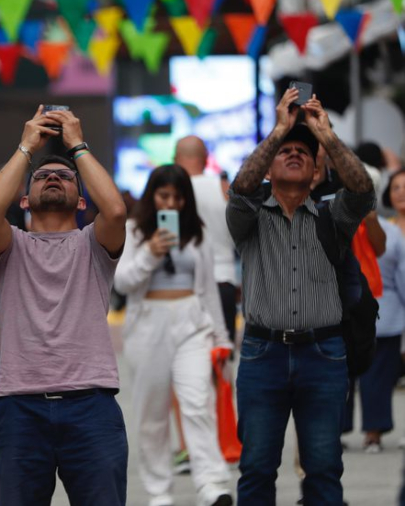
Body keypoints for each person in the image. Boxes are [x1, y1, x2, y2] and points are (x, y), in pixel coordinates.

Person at [227, 89, 375, 505]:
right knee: (256, 467)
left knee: (325, 468)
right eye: (285, 151)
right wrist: (278, 131)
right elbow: (241, 187)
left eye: (303, 153)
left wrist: (325, 136)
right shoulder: (248, 218)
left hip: (324, 354)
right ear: (269, 169)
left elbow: (362, 190)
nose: (294, 153)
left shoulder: (334, 216)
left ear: (315, 171)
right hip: (262, 354)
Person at [0, 106, 128, 505]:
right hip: (19, 408)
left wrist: (77, 144)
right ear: (25, 200)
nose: (54, 179)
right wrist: (27, 146)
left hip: (92, 405)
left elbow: (114, 210)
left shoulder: (94, 245)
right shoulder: (11, 247)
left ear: (81, 202)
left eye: (65, 177)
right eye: (43, 177)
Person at [115, 164, 233, 506]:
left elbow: (209, 289)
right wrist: (151, 253)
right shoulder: (135, 230)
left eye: (178, 198)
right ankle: (159, 492)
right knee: (151, 414)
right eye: (164, 196)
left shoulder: (198, 232)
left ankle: (212, 484)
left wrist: (222, 339)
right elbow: (123, 282)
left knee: (198, 403)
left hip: (192, 323)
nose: (170, 204)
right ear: (152, 196)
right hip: (148, 324)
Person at [340, 178, 405, 453]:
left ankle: (374, 432)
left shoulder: (390, 232)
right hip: (344, 311)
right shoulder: (335, 221)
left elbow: (401, 276)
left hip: (386, 312)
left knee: (377, 377)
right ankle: (336, 430)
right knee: (339, 375)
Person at [174, 135, 239, 342]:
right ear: (206, 158)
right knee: (222, 359)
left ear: (176, 158)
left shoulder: (170, 193)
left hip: (184, 285)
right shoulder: (224, 188)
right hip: (223, 279)